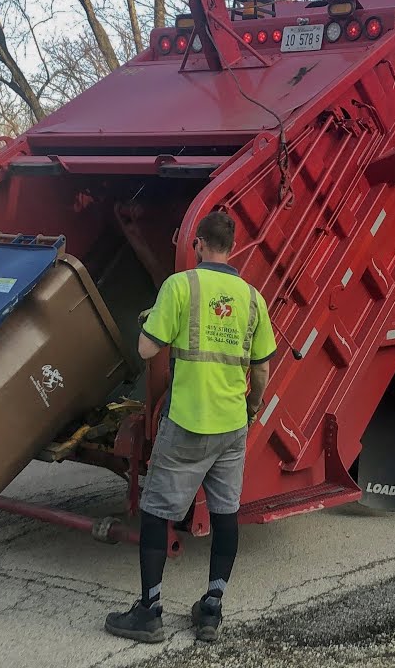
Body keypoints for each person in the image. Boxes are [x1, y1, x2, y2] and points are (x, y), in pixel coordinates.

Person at [105, 211, 276, 644]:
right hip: (231, 426)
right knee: (225, 514)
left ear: (198, 243)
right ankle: (211, 610)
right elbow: (261, 371)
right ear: (232, 247)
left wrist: (153, 320)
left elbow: (147, 349)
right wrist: (251, 409)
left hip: (186, 423)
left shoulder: (179, 286)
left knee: (156, 513)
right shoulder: (253, 298)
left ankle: (149, 612)